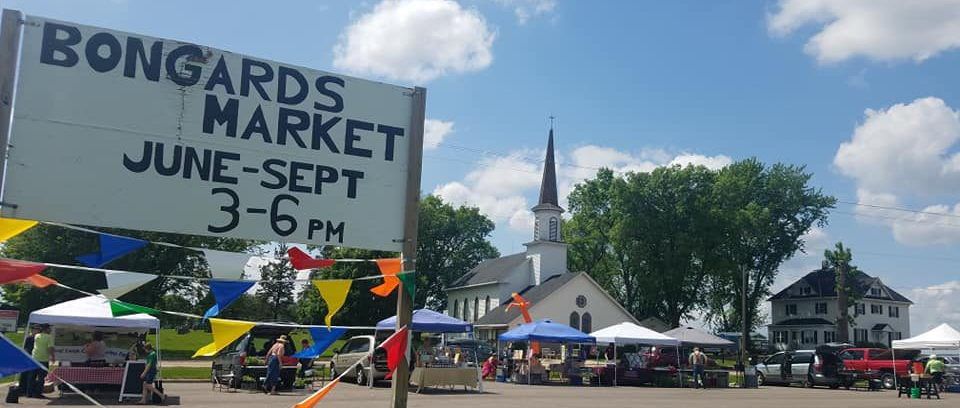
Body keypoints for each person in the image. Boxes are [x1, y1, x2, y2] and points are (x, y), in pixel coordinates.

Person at [31, 324, 55, 398]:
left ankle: (30, 392)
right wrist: (53, 357)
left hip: (34, 357)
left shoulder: (37, 335)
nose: (50, 330)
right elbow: (50, 348)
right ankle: (38, 393)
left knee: (32, 377)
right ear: (46, 329)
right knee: (41, 377)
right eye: (49, 328)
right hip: (43, 359)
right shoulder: (49, 337)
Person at [19, 325, 39, 398]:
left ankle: (28, 390)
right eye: (36, 329)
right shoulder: (29, 338)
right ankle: (22, 390)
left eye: (38, 330)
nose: (37, 331)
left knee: (31, 375)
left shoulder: (37, 338)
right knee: (25, 375)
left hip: (34, 357)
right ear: (33, 330)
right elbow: (26, 348)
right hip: (28, 357)